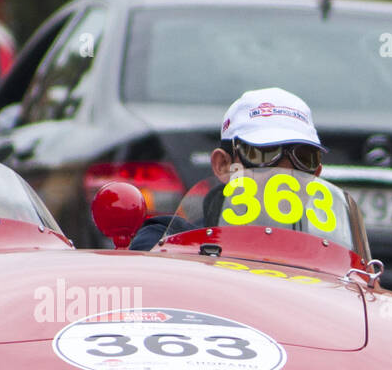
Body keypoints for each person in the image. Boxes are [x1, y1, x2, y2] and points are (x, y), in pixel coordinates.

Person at [127, 87, 327, 249]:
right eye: (263, 153)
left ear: (316, 173)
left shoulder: (338, 255)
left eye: (303, 158)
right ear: (223, 166)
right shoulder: (168, 242)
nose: (285, 174)